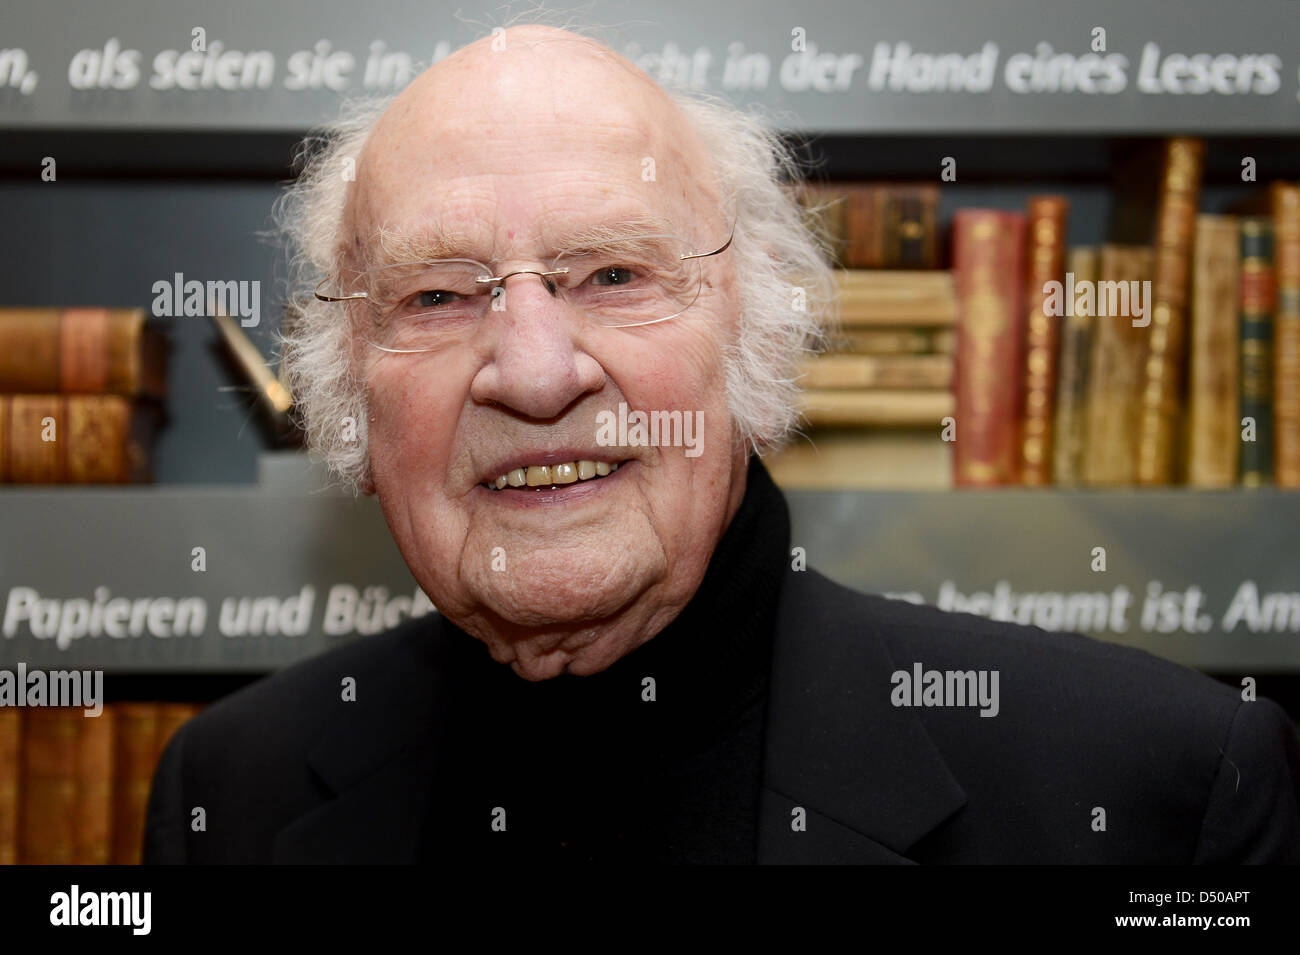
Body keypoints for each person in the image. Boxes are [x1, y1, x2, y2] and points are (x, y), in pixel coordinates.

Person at [144, 24, 1300, 864]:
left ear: (756, 326)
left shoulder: (1159, 794)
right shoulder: (229, 796)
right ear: (349, 384)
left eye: (613, 273)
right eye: (439, 296)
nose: (538, 371)